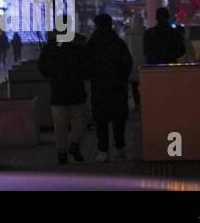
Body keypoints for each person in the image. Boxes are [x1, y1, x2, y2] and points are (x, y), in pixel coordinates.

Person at [38, 32, 90, 164]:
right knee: (79, 119)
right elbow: (86, 67)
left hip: (57, 91)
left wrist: (51, 76)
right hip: (76, 90)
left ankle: (62, 153)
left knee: (60, 125)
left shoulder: (49, 48)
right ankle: (74, 144)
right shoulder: (78, 47)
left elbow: (42, 66)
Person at [87, 14, 133, 161]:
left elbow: (86, 65)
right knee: (118, 119)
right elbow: (128, 63)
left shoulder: (92, 44)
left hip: (99, 88)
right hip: (118, 87)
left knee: (101, 121)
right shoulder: (118, 43)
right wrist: (122, 78)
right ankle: (119, 148)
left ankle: (103, 151)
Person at [125, 13, 146, 108]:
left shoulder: (128, 34)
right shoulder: (145, 33)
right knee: (144, 83)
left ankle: (137, 102)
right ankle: (144, 101)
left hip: (132, 62)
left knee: (134, 84)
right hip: (144, 62)